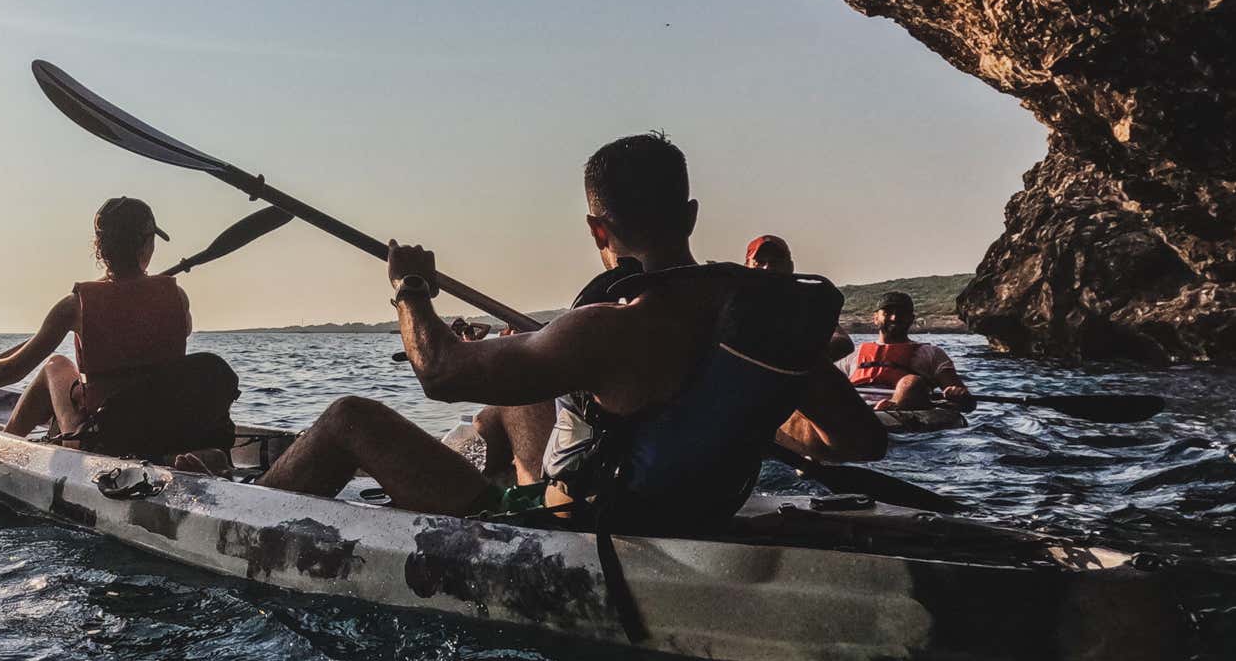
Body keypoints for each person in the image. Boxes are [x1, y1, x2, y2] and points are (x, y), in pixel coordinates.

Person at [258, 134, 886, 519]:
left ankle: (245, 509)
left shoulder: (609, 328)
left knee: (347, 417)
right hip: (697, 508)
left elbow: (440, 372)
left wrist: (411, 288)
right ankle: (491, 462)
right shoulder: (763, 320)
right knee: (521, 377)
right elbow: (860, 442)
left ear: (597, 229)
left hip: (585, 525)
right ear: (691, 214)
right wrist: (728, 419)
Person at [0, 196, 192, 441]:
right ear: (147, 245)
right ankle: (34, 429)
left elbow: (13, 370)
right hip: (166, 429)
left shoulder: (74, 307)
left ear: (100, 247)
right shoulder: (178, 297)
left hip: (102, 436)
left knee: (55, 365)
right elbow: (182, 329)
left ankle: (5, 444)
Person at [840, 290, 974, 412]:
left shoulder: (932, 353)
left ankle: (890, 407)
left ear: (911, 319)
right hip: (855, 407)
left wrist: (957, 394)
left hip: (900, 410)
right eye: (887, 313)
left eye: (901, 313)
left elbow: (968, 404)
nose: (894, 318)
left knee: (910, 381)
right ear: (875, 318)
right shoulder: (854, 354)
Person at [745, 234, 854, 360]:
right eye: (759, 262)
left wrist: (802, 355)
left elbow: (842, 340)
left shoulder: (807, 301)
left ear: (790, 267)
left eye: (776, 262)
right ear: (746, 265)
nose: (768, 268)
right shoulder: (731, 299)